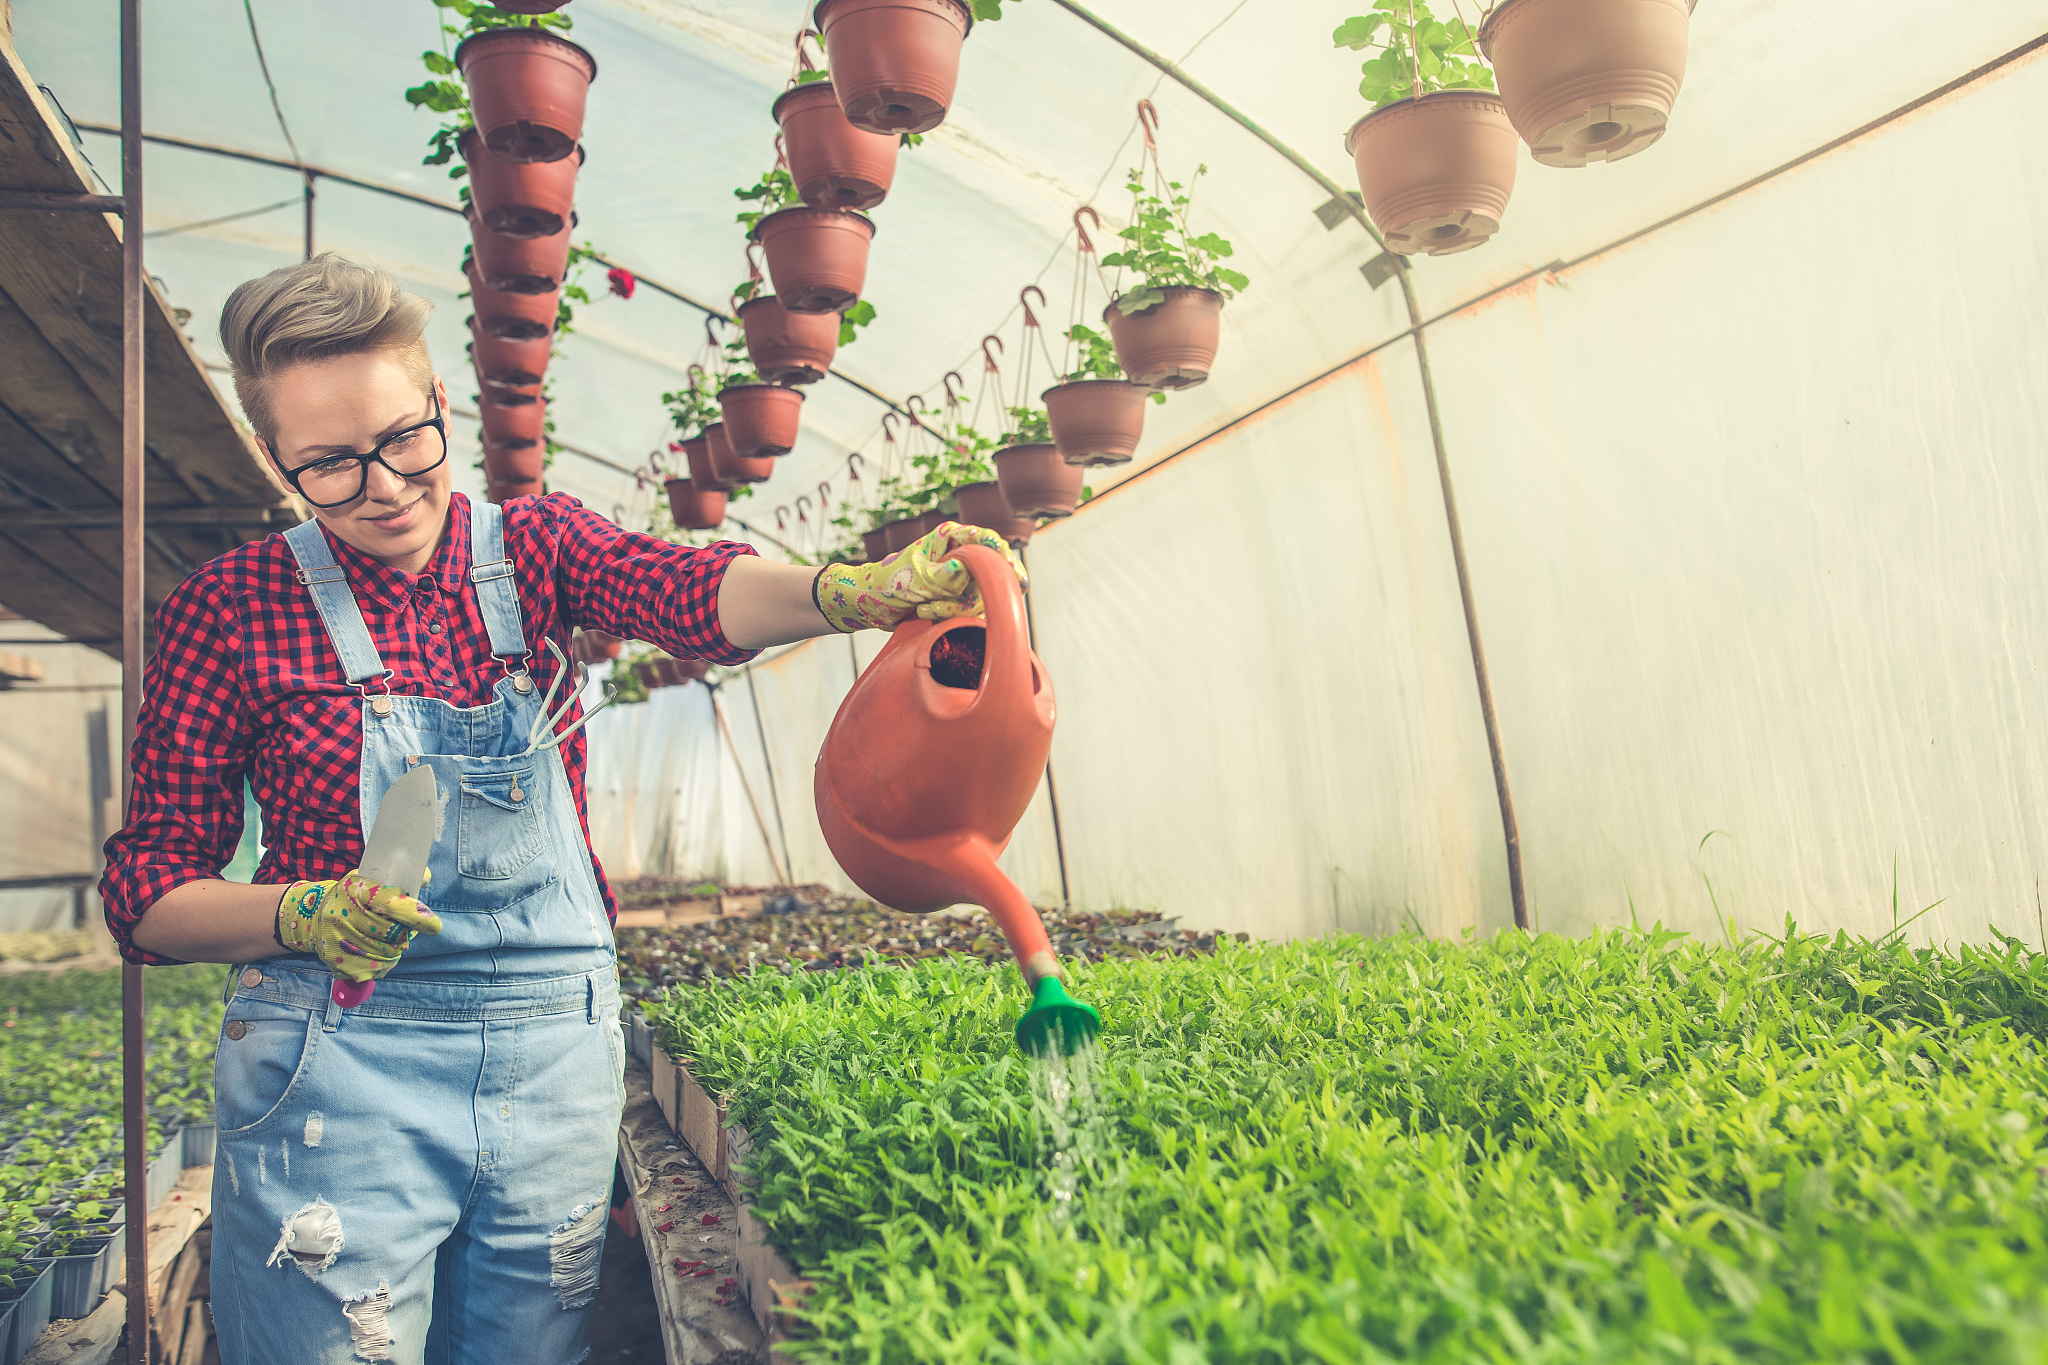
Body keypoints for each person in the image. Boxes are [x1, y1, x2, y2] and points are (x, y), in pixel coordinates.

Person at [99, 254, 1023, 1365]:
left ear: (439, 403)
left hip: (548, 1061)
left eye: (403, 440)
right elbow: (148, 891)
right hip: (339, 1072)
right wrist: (297, 915)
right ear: (271, 455)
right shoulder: (230, 611)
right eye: (330, 467)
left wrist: (842, 593)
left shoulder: (533, 550)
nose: (384, 487)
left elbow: (687, 591)